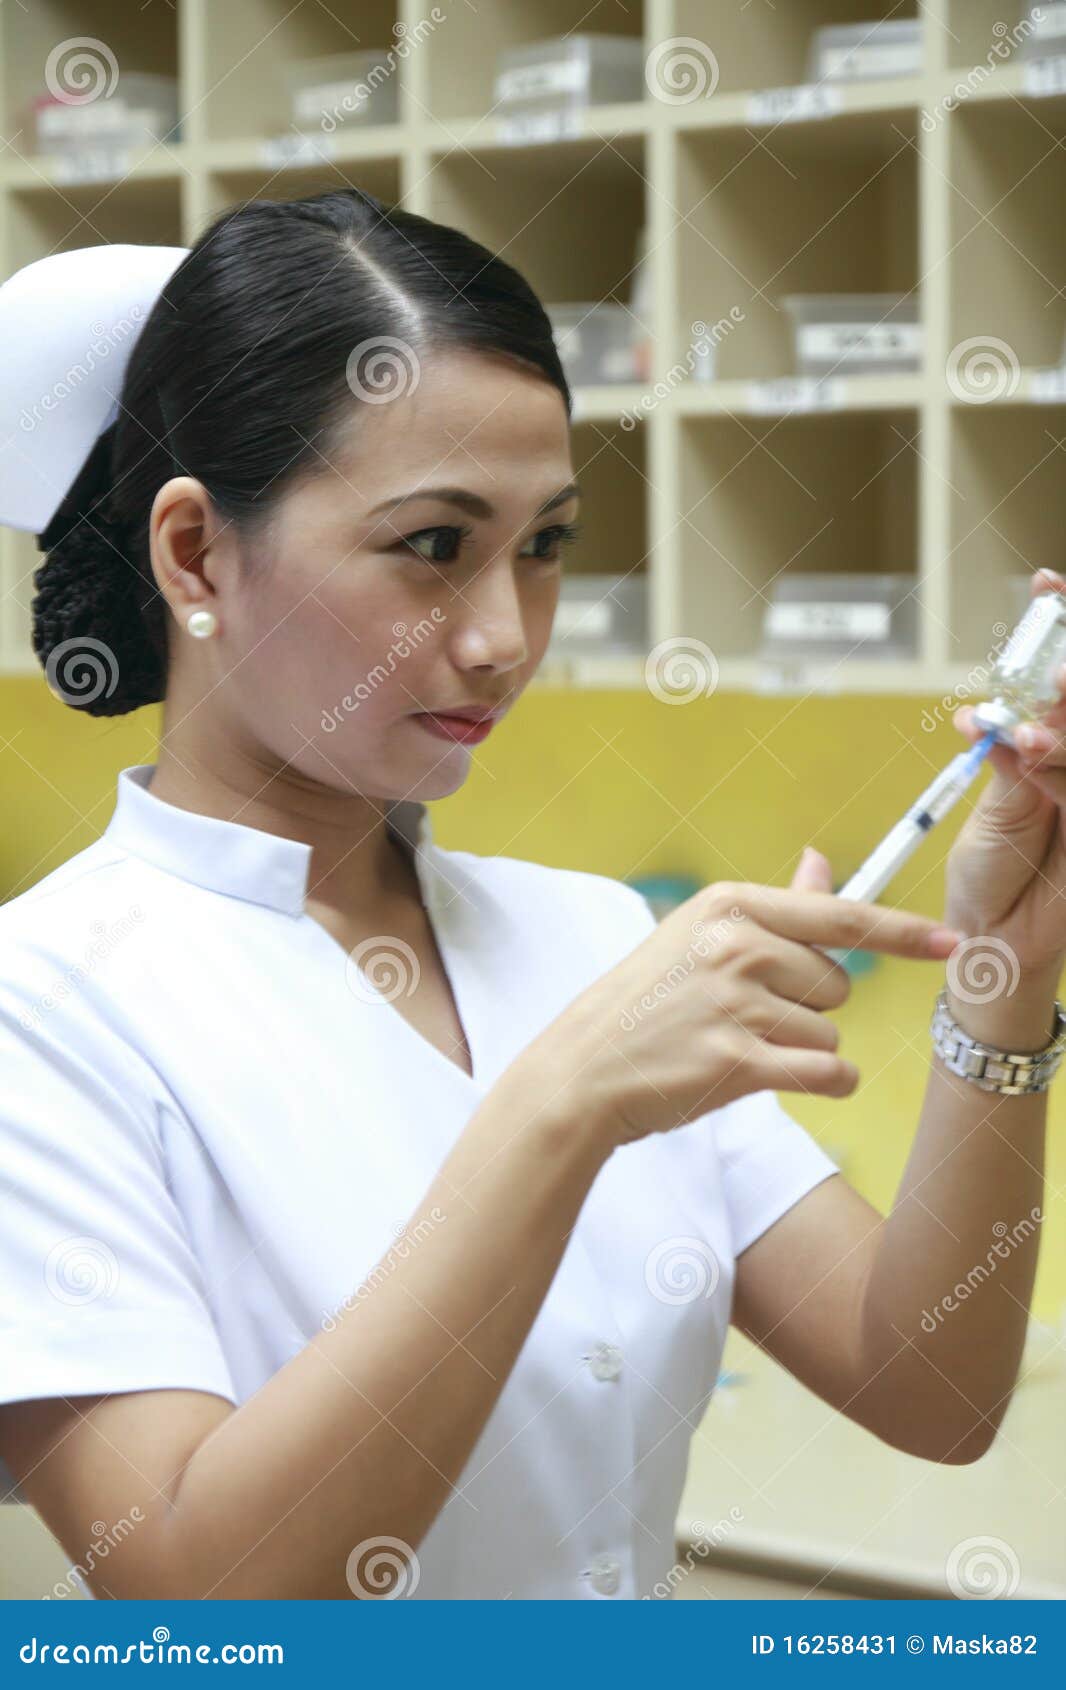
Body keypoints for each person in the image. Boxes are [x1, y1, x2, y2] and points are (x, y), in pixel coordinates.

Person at [0, 189, 1062, 1603]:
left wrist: (1002, 965)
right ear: (195, 553)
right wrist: (560, 1107)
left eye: (543, 544)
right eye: (432, 544)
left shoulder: (594, 940)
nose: (504, 636)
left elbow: (928, 1383)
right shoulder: (47, 1005)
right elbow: (203, 1600)